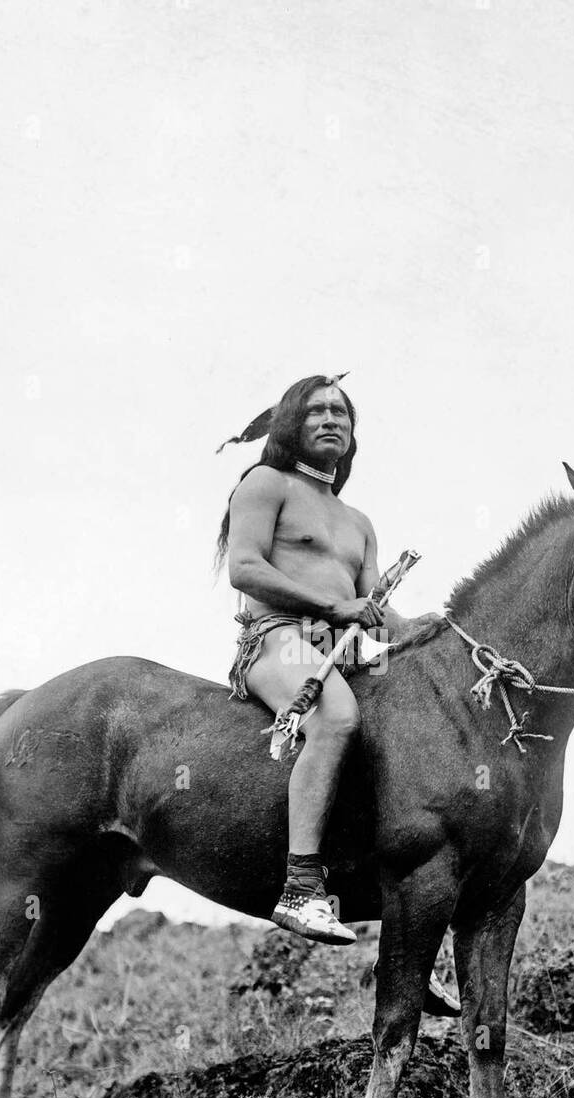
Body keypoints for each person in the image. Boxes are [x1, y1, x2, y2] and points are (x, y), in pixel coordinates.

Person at [215, 374, 407, 944]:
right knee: (336, 716)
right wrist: (334, 605)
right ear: (291, 425)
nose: (330, 420)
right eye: (316, 411)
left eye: (340, 413)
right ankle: (299, 889)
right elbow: (244, 568)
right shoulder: (265, 483)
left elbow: (381, 615)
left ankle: (402, 926)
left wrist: (445, 631)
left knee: (418, 724)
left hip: (340, 652)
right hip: (277, 639)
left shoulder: (359, 523)